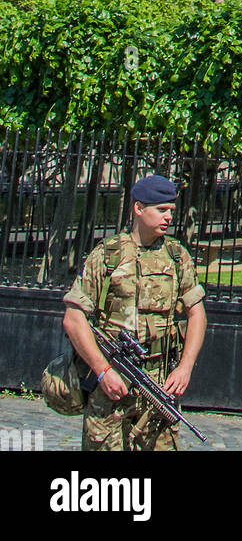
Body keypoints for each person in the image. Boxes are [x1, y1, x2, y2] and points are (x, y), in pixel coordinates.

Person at [62, 174, 207, 452]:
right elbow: (74, 318)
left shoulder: (178, 256)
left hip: (159, 387)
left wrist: (185, 366)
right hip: (112, 387)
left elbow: (197, 314)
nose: (168, 217)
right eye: (161, 210)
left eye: (171, 211)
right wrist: (102, 371)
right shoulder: (108, 255)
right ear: (139, 209)